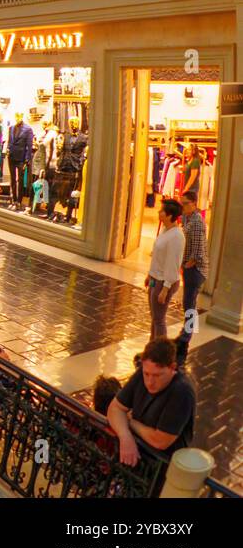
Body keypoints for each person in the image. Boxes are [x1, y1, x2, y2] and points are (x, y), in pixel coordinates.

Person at [107, 337, 196, 466]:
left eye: (157, 375)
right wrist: (125, 437)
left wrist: (130, 421)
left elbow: (160, 441)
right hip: (136, 458)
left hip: (161, 467)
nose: (150, 382)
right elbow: (114, 408)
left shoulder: (182, 392)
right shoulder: (142, 373)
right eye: (146, 374)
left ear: (172, 368)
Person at [146, 198, 184, 342]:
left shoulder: (177, 236)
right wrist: (150, 274)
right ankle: (152, 346)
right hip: (156, 279)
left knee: (159, 319)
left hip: (164, 282)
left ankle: (161, 352)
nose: (158, 212)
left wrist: (165, 288)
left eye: (161, 211)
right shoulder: (164, 229)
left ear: (169, 215)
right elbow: (157, 256)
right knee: (155, 317)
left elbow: (172, 264)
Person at [176, 190, 207, 363]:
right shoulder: (187, 218)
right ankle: (186, 333)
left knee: (189, 304)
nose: (184, 207)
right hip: (187, 266)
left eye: (186, 203)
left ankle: (186, 337)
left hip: (195, 269)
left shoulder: (197, 222)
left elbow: (199, 247)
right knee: (188, 303)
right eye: (182, 204)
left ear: (194, 204)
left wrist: (190, 262)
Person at [6, 113, 34, 210]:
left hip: (21, 158)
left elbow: (29, 146)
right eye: (16, 116)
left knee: (21, 180)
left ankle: (19, 201)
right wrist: (8, 150)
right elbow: (10, 141)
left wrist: (27, 160)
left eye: (20, 116)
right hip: (11, 156)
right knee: (13, 179)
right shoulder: (11, 128)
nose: (18, 118)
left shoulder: (28, 129)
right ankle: (14, 200)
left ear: (22, 117)